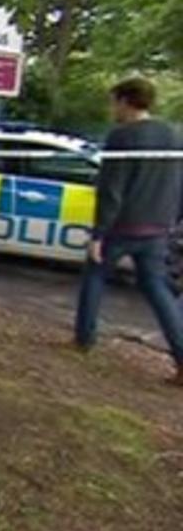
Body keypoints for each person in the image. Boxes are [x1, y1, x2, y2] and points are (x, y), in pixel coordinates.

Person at [75, 78, 183, 387]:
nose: (113, 109)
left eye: (114, 102)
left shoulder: (122, 137)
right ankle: (182, 357)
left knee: (95, 273)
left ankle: (84, 337)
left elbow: (112, 189)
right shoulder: (172, 134)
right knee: (157, 290)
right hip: (158, 227)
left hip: (124, 226)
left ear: (125, 101)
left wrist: (98, 234)